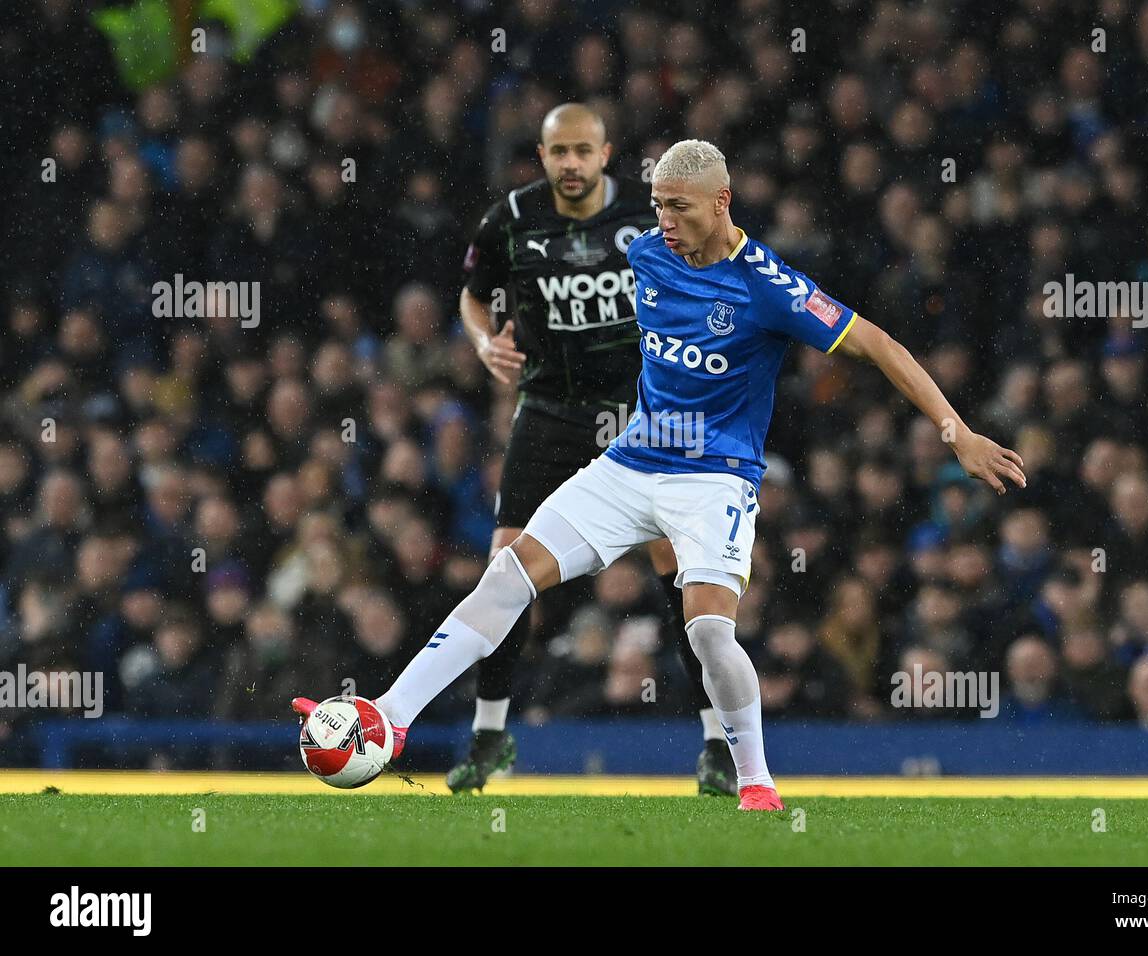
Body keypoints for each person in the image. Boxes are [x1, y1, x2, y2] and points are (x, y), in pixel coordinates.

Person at [294, 139, 1025, 810]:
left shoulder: (768, 286)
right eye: (657, 205)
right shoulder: (647, 254)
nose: (664, 221)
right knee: (508, 574)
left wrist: (955, 432)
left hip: (715, 482)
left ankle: (756, 780)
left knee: (707, 632)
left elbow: (880, 344)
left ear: (721, 201)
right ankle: (388, 716)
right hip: (630, 463)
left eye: (679, 206)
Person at [448, 104, 734, 794]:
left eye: (583, 150)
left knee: (675, 563)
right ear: (542, 157)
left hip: (640, 409)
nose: (571, 163)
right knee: (507, 564)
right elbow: (473, 295)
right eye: (559, 152)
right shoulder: (512, 219)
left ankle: (717, 744)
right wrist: (484, 342)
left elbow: (710, 268)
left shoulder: (648, 213)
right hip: (549, 409)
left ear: (605, 154)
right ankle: (489, 735)